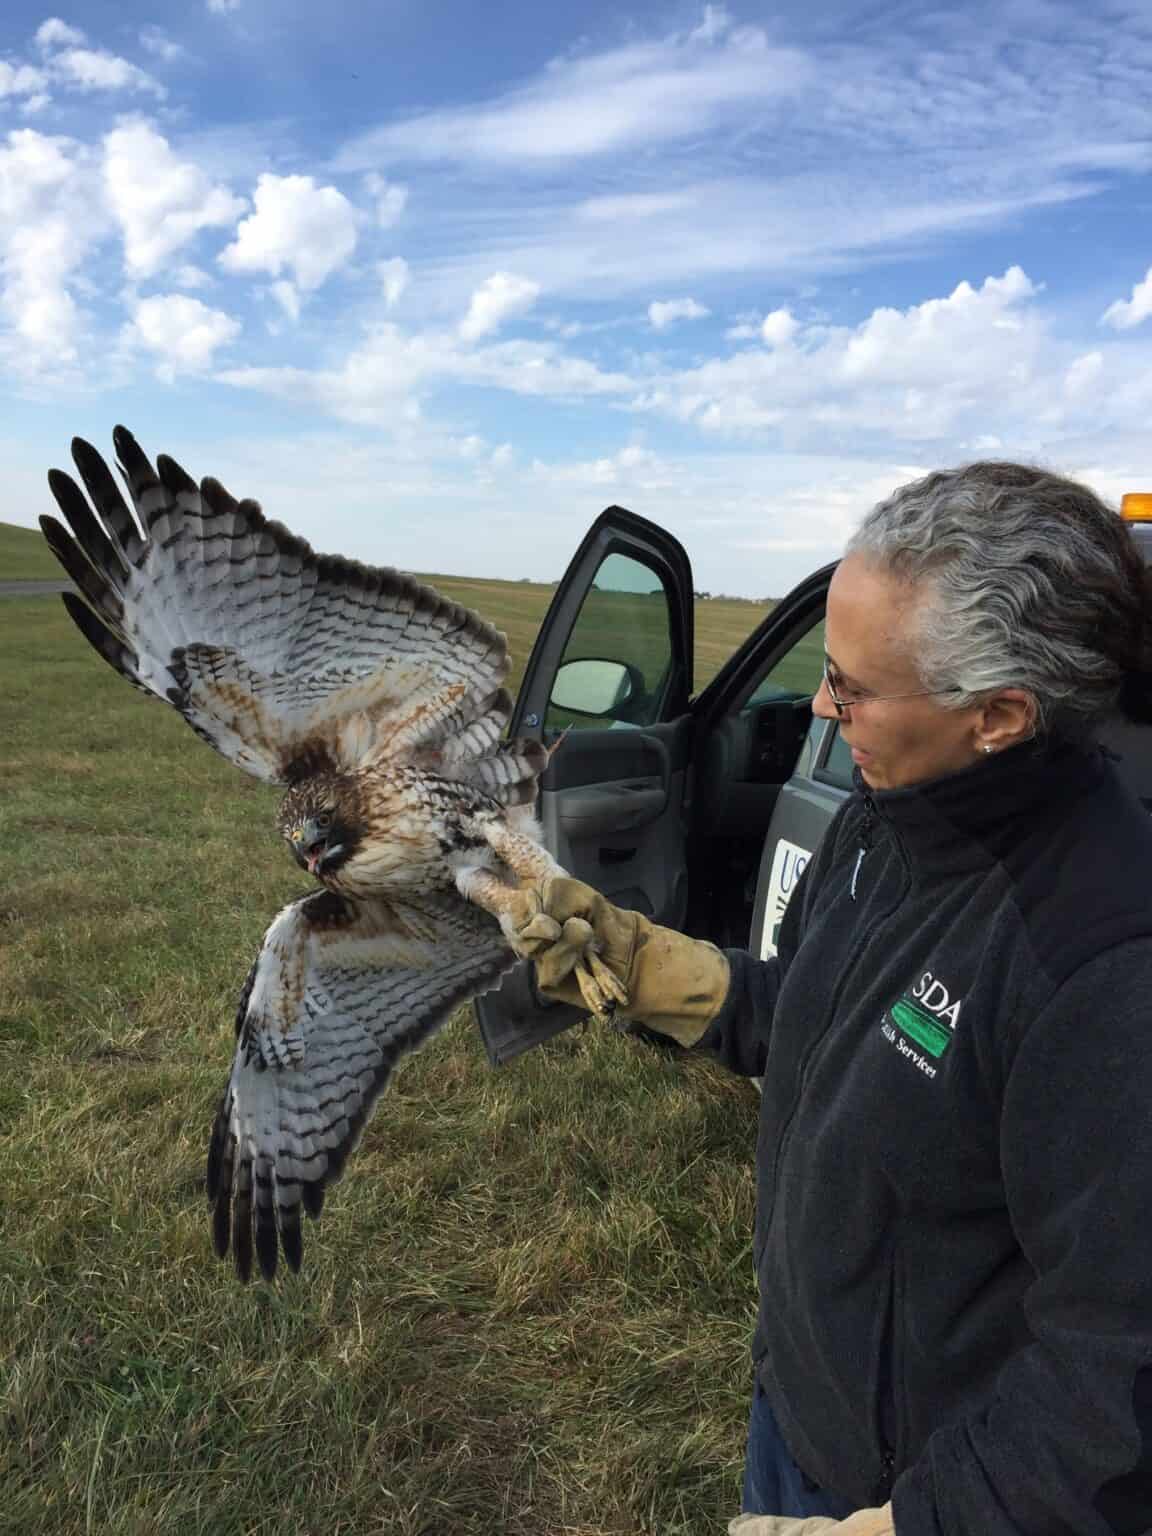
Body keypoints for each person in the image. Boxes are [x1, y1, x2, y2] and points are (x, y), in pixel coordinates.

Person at [506, 461, 1152, 1535]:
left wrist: (897, 1527)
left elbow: (1118, 1371)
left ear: (997, 715)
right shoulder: (889, 817)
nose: (818, 704)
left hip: (925, 1494)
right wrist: (643, 967)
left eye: (850, 688)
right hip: (807, 1413)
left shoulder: (1099, 968)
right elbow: (807, 1017)